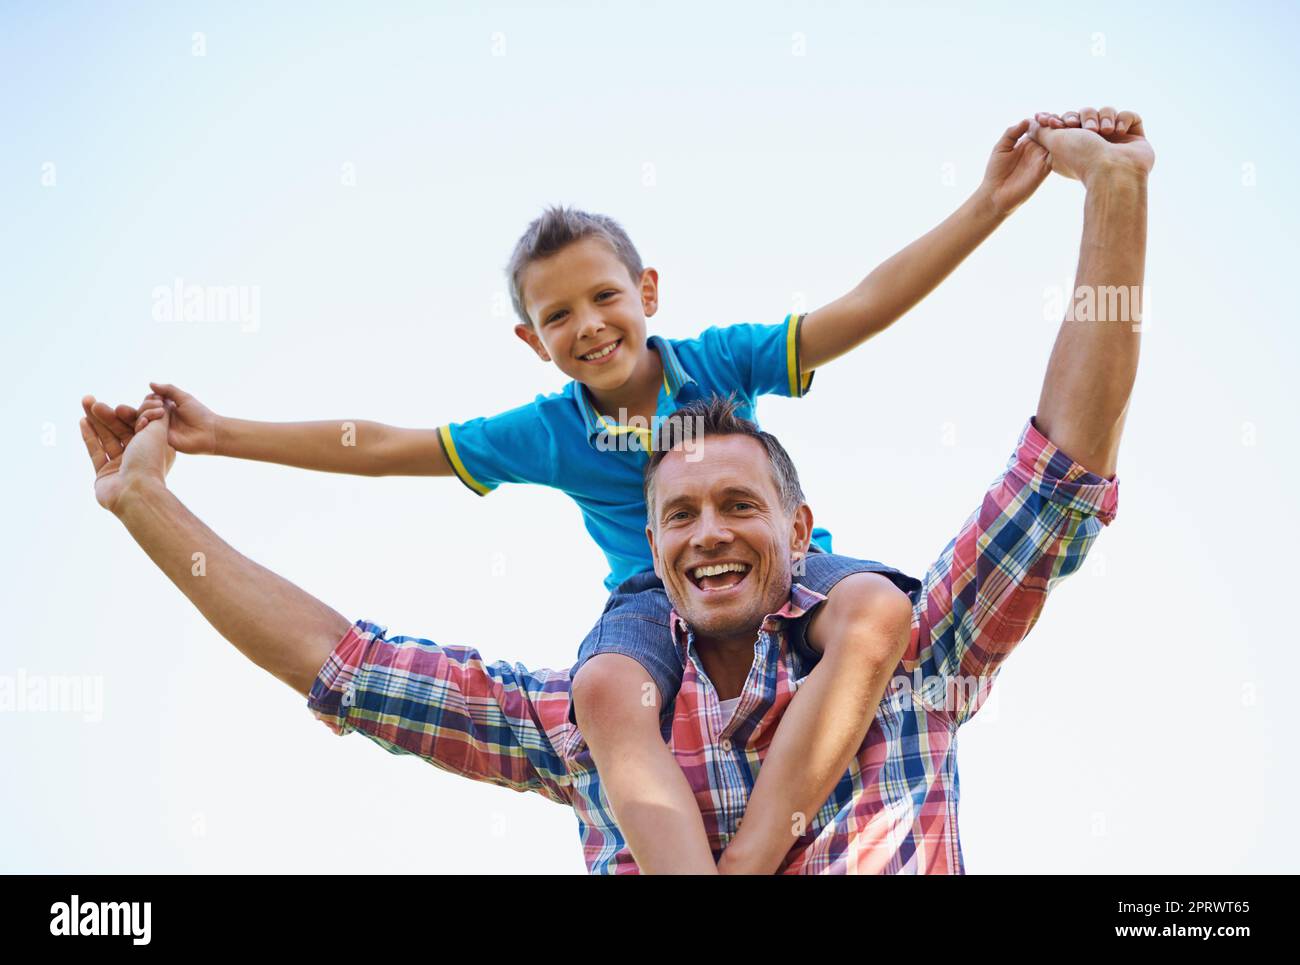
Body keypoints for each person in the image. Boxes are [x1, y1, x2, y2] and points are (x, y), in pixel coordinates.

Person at [81, 105, 1152, 873]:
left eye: (737, 502)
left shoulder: (900, 646)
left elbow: (1030, 450)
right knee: (605, 694)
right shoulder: (550, 455)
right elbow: (353, 618)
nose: (588, 326)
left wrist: (1054, 196)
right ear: (531, 341)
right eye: (676, 508)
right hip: (632, 618)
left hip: (832, 610)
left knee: (874, 604)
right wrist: (196, 457)